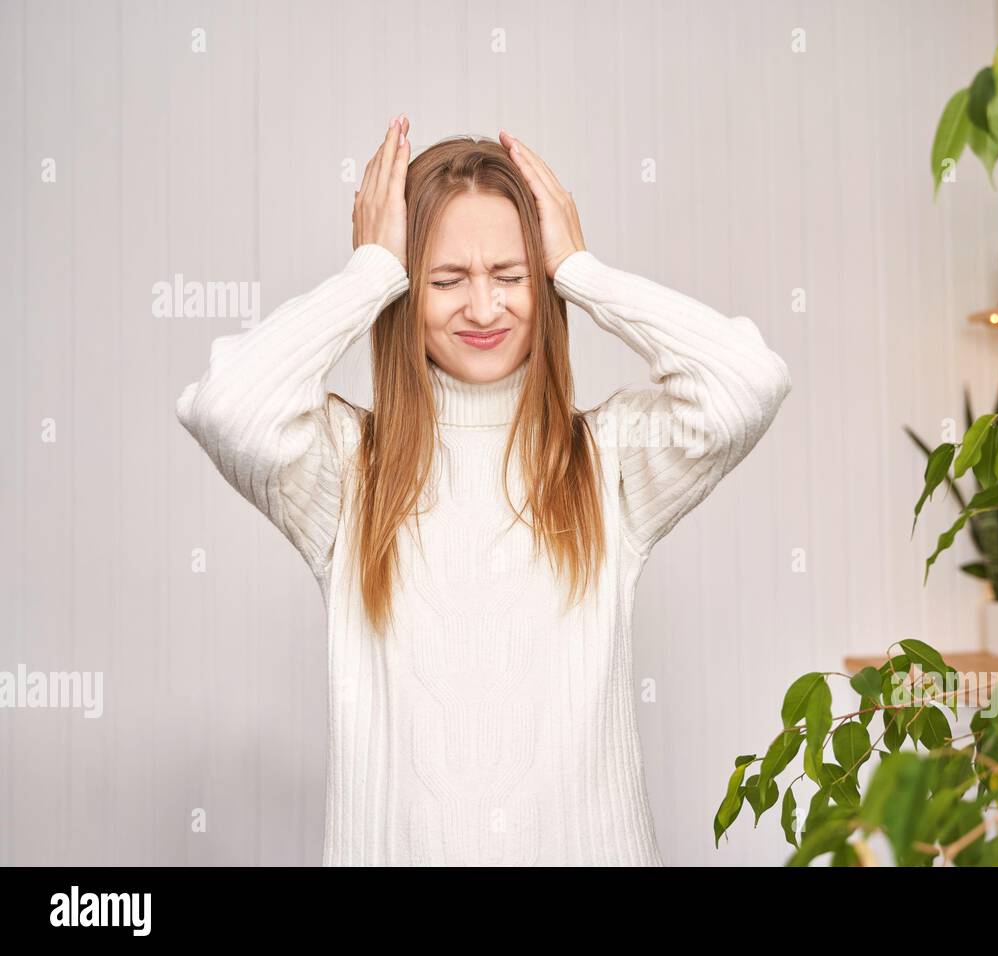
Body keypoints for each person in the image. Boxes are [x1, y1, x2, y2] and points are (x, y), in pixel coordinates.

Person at [175, 116, 792, 865]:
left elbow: (749, 381)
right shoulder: (347, 472)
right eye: (444, 279)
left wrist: (582, 270)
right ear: (407, 288)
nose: (483, 307)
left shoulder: (607, 462)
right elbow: (224, 405)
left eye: (511, 275)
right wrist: (369, 271)